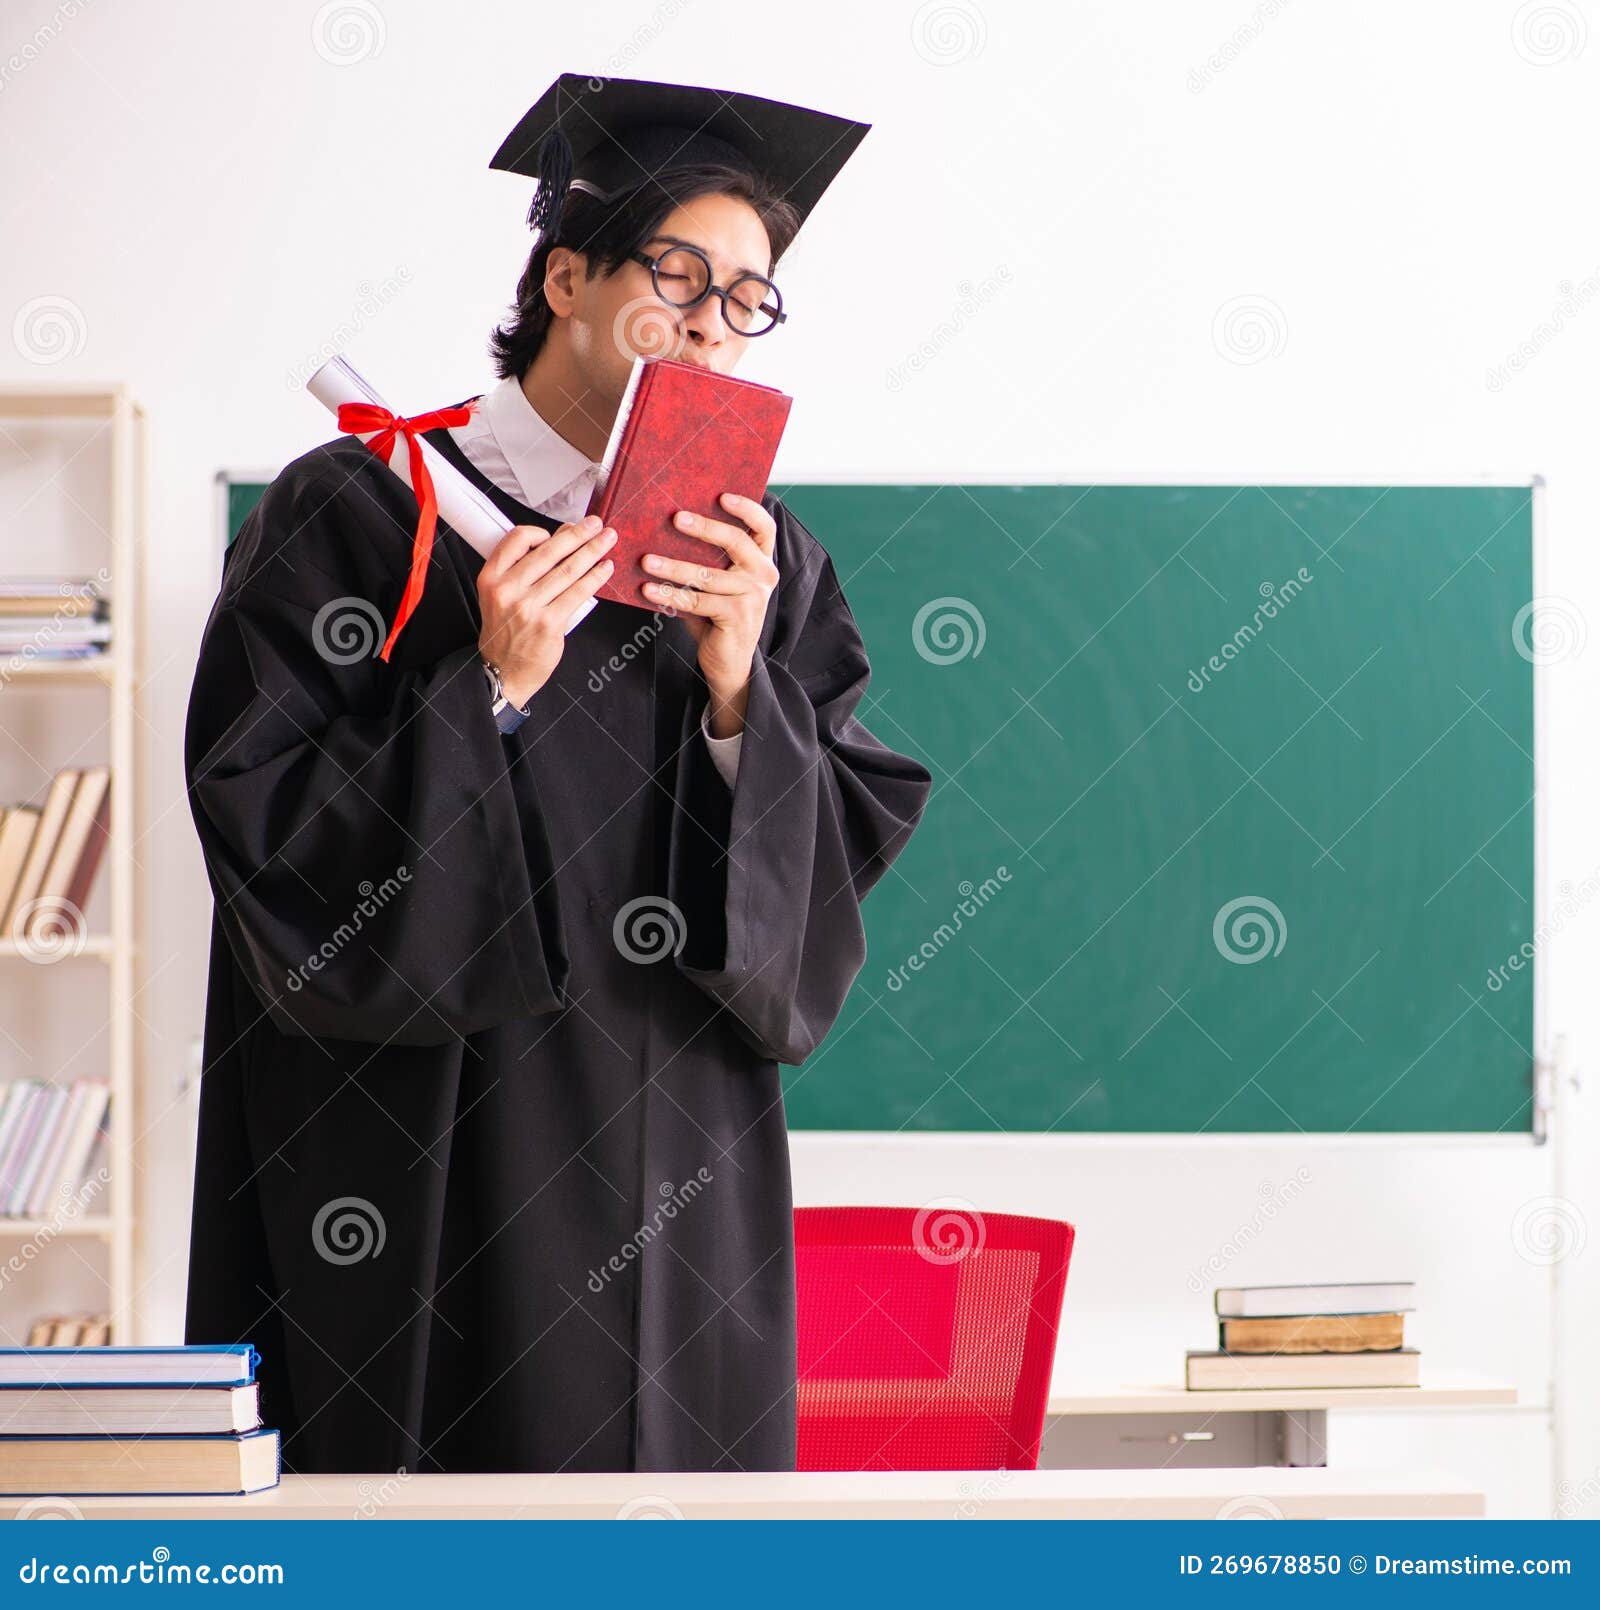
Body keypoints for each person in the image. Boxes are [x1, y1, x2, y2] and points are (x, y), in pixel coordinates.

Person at [182, 73, 931, 1474]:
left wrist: (735, 690)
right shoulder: (358, 515)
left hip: (680, 1187)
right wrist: (494, 686)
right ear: (568, 279)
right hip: (433, 1175)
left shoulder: (757, 562)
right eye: (680, 275)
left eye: (750, 296)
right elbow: (268, 837)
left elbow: (822, 888)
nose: (715, 320)